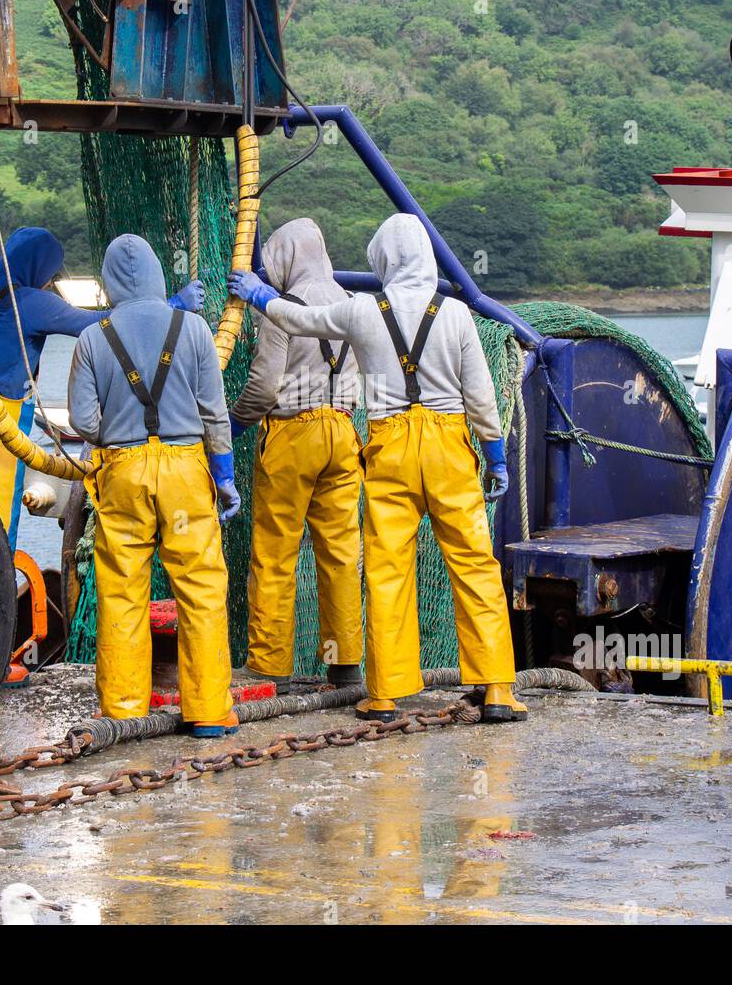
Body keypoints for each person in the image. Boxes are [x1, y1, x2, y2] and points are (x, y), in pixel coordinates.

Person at [229, 213, 522, 725]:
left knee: (387, 568)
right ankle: (496, 687)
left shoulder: (364, 310)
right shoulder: (455, 315)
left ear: (383, 259)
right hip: (449, 443)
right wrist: (494, 455)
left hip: (388, 445)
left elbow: (298, 322)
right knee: (475, 565)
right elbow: (480, 395)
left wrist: (257, 295)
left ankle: (384, 694)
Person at [0, 226, 204, 547]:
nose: (48, 283)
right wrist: (170, 305)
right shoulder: (27, 302)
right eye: (49, 274)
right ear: (38, 266)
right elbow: (98, 325)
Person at [69, 234, 241, 739]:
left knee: (122, 587)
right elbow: (215, 413)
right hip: (186, 471)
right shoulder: (192, 329)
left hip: (122, 471)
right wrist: (225, 478)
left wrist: (117, 435)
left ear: (108, 281)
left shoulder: (91, 337)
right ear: (157, 275)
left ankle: (122, 708)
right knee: (201, 587)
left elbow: (83, 420)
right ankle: (209, 709)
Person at [230, 219, 364, 694]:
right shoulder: (354, 305)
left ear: (285, 256)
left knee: (275, 552)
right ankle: (345, 664)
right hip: (344, 432)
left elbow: (265, 384)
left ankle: (270, 666)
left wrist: (234, 424)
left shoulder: (279, 309)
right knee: (341, 552)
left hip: (292, 433)